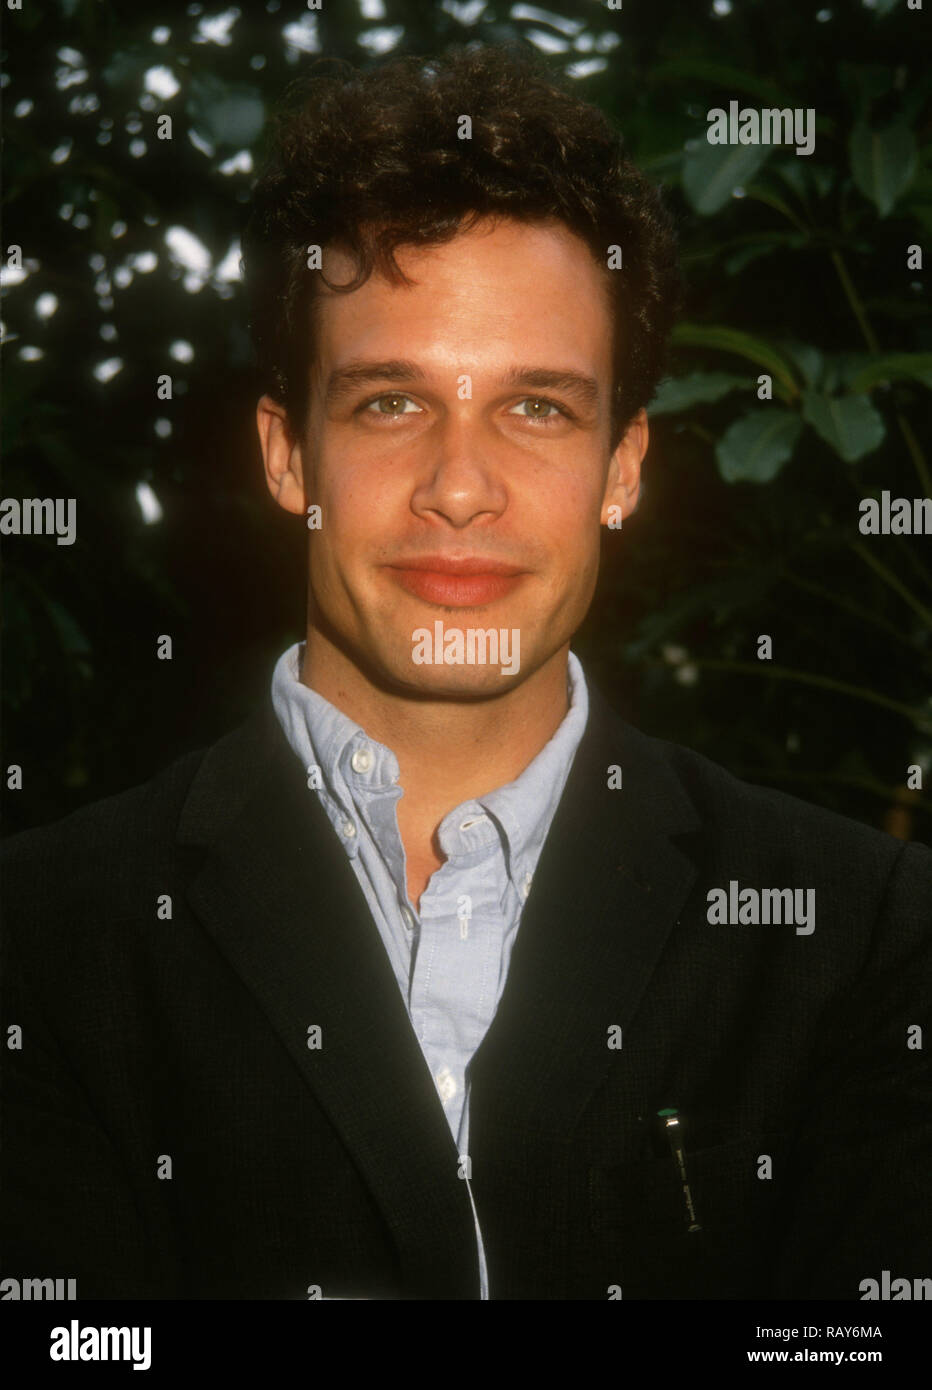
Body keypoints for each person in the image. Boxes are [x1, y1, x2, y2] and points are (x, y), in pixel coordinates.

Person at [2, 46, 929, 1302]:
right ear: (287, 456)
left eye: (536, 408)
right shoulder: (46, 937)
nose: (458, 485)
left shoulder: (867, 929)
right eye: (390, 402)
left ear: (621, 469)